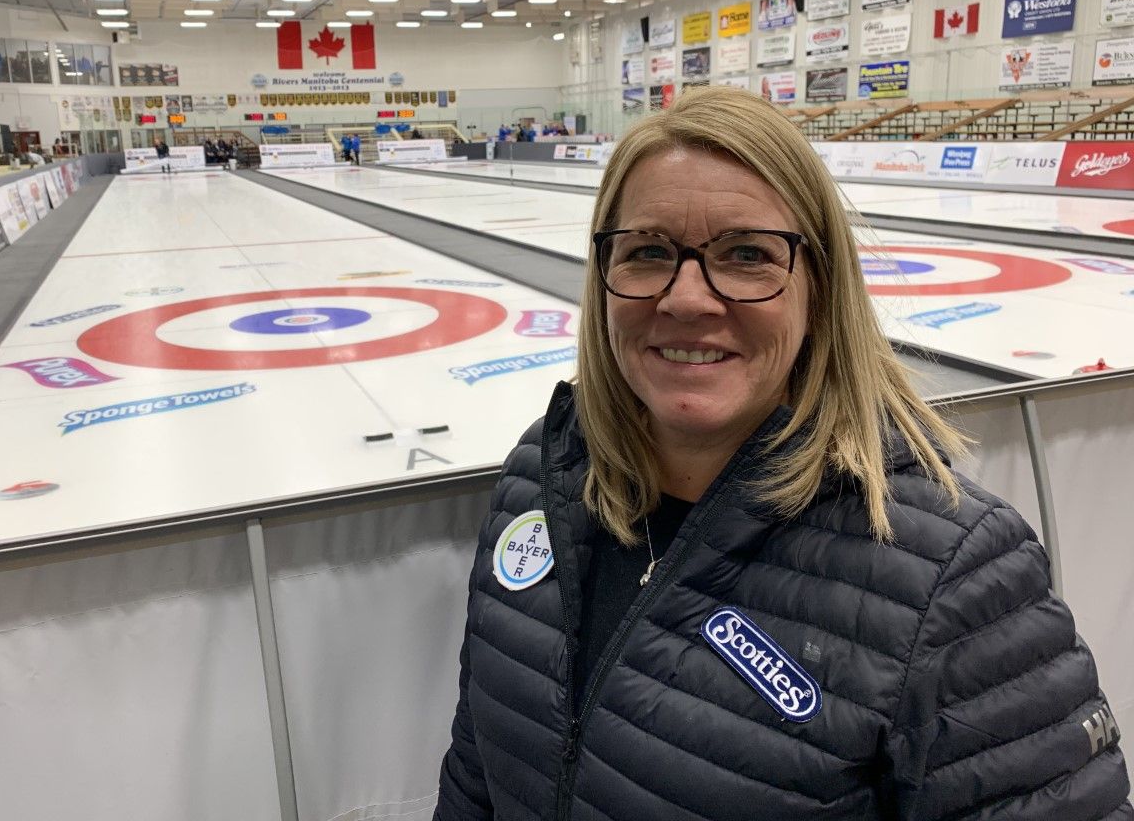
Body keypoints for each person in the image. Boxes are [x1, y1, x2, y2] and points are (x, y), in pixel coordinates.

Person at [433, 87, 1132, 820]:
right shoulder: (537, 483)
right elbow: (477, 775)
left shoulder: (953, 579)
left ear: (819, 288)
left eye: (746, 255)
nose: (688, 298)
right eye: (647, 252)